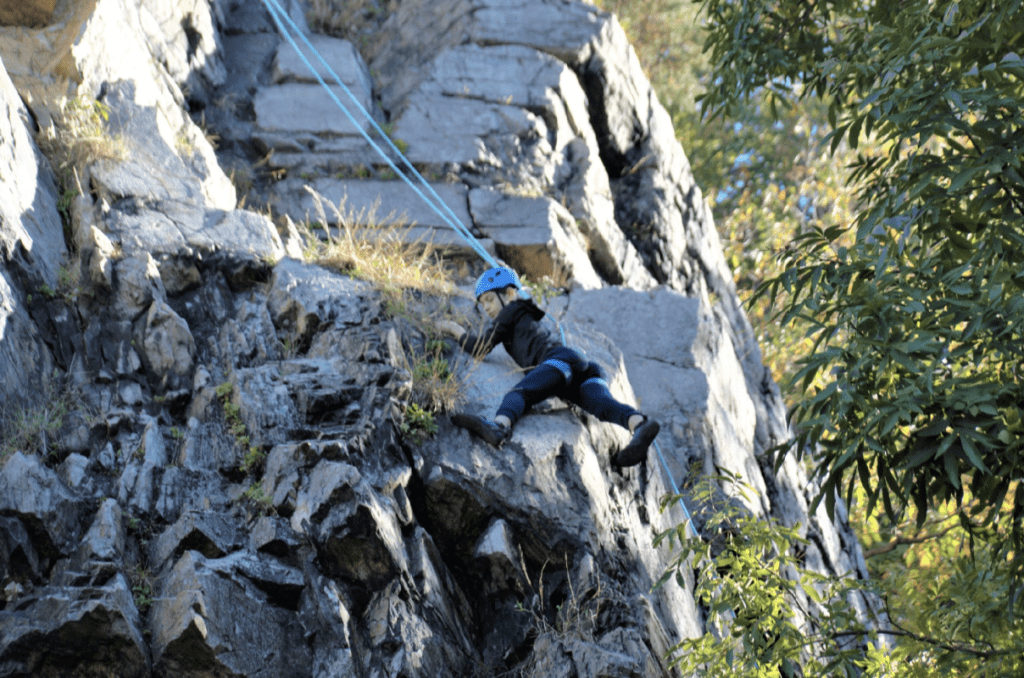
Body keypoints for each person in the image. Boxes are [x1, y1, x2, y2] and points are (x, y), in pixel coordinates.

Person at [435, 266, 660, 467]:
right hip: (584, 367)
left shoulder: (510, 311)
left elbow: (481, 347)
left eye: (489, 299)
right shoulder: (527, 315)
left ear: (510, 294)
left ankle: (499, 426)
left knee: (520, 393)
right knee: (602, 404)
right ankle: (639, 425)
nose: (486, 308)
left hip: (558, 363)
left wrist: (454, 329)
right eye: (482, 303)